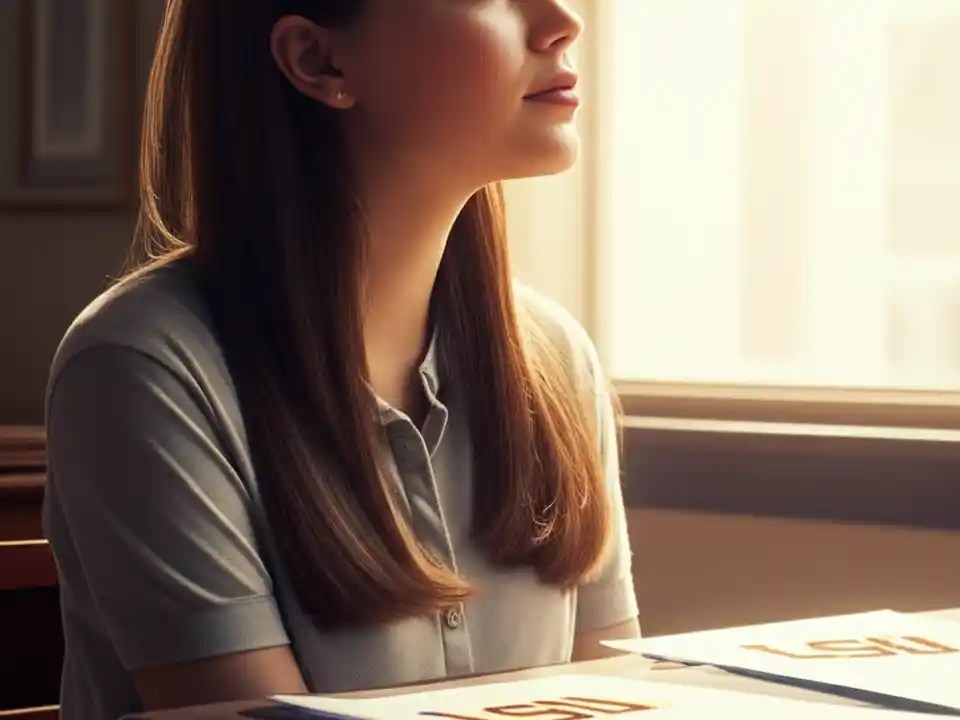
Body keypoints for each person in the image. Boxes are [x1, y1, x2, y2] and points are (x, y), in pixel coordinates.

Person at [41, 2, 639, 718]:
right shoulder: (141, 372)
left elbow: (624, 700)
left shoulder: (556, 360)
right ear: (319, 61)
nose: (562, 20)